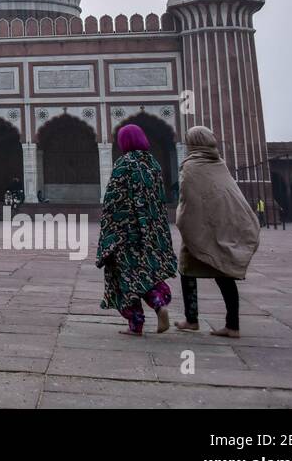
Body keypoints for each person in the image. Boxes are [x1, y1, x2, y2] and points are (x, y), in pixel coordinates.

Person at [173, 126, 259, 338]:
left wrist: (183, 222)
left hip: (198, 228)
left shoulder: (191, 166)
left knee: (186, 272)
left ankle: (192, 320)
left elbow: (187, 201)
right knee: (223, 274)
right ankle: (233, 325)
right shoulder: (219, 164)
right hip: (221, 226)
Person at [96, 123, 177, 336]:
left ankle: (137, 322)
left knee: (126, 276)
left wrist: (109, 234)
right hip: (151, 232)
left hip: (126, 234)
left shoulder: (124, 164)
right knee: (146, 271)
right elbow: (159, 200)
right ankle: (159, 304)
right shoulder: (154, 165)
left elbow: (113, 201)